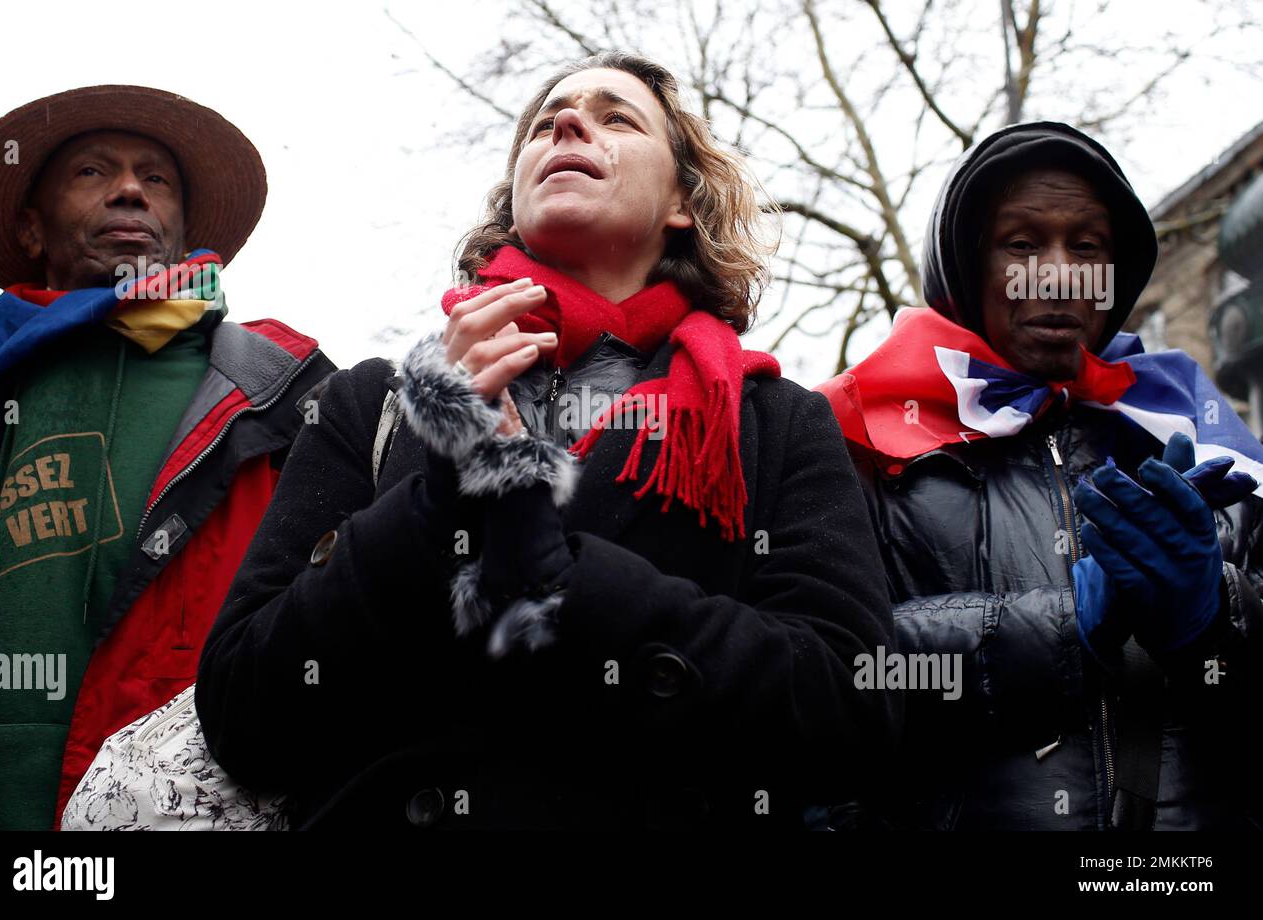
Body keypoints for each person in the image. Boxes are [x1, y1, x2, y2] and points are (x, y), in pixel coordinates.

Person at [196, 51, 902, 830]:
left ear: (681, 204)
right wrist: (434, 508)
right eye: (546, 122)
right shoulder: (372, 402)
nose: (567, 122)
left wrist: (573, 582)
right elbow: (241, 714)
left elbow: (852, 707)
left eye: (617, 118)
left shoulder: (773, 421)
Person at [818, 121, 1263, 830]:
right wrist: (1066, 630)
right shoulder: (857, 436)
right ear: (967, 265)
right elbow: (831, 670)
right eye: (1021, 243)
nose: (1057, 272)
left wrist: (1215, 616)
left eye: (1087, 247)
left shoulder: (1203, 438)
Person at [0, 85, 334, 830]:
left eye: (155, 178)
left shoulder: (283, 386)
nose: (130, 189)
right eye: (93, 172)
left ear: (185, 226)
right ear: (32, 230)